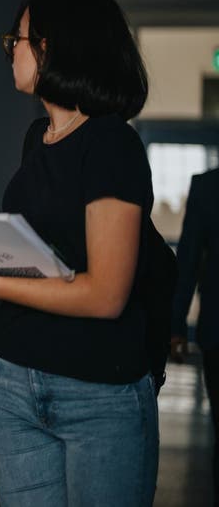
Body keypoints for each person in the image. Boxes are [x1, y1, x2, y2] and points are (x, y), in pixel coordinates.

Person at [0, 0, 159, 506]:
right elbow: (32, 266)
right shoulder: (39, 139)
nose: (11, 48)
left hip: (97, 392)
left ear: (57, 47)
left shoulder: (111, 144)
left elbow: (104, 296)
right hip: (11, 381)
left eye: (21, 37)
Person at [171, 166, 219, 504]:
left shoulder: (207, 187)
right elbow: (187, 260)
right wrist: (175, 326)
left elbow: (188, 259)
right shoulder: (207, 187)